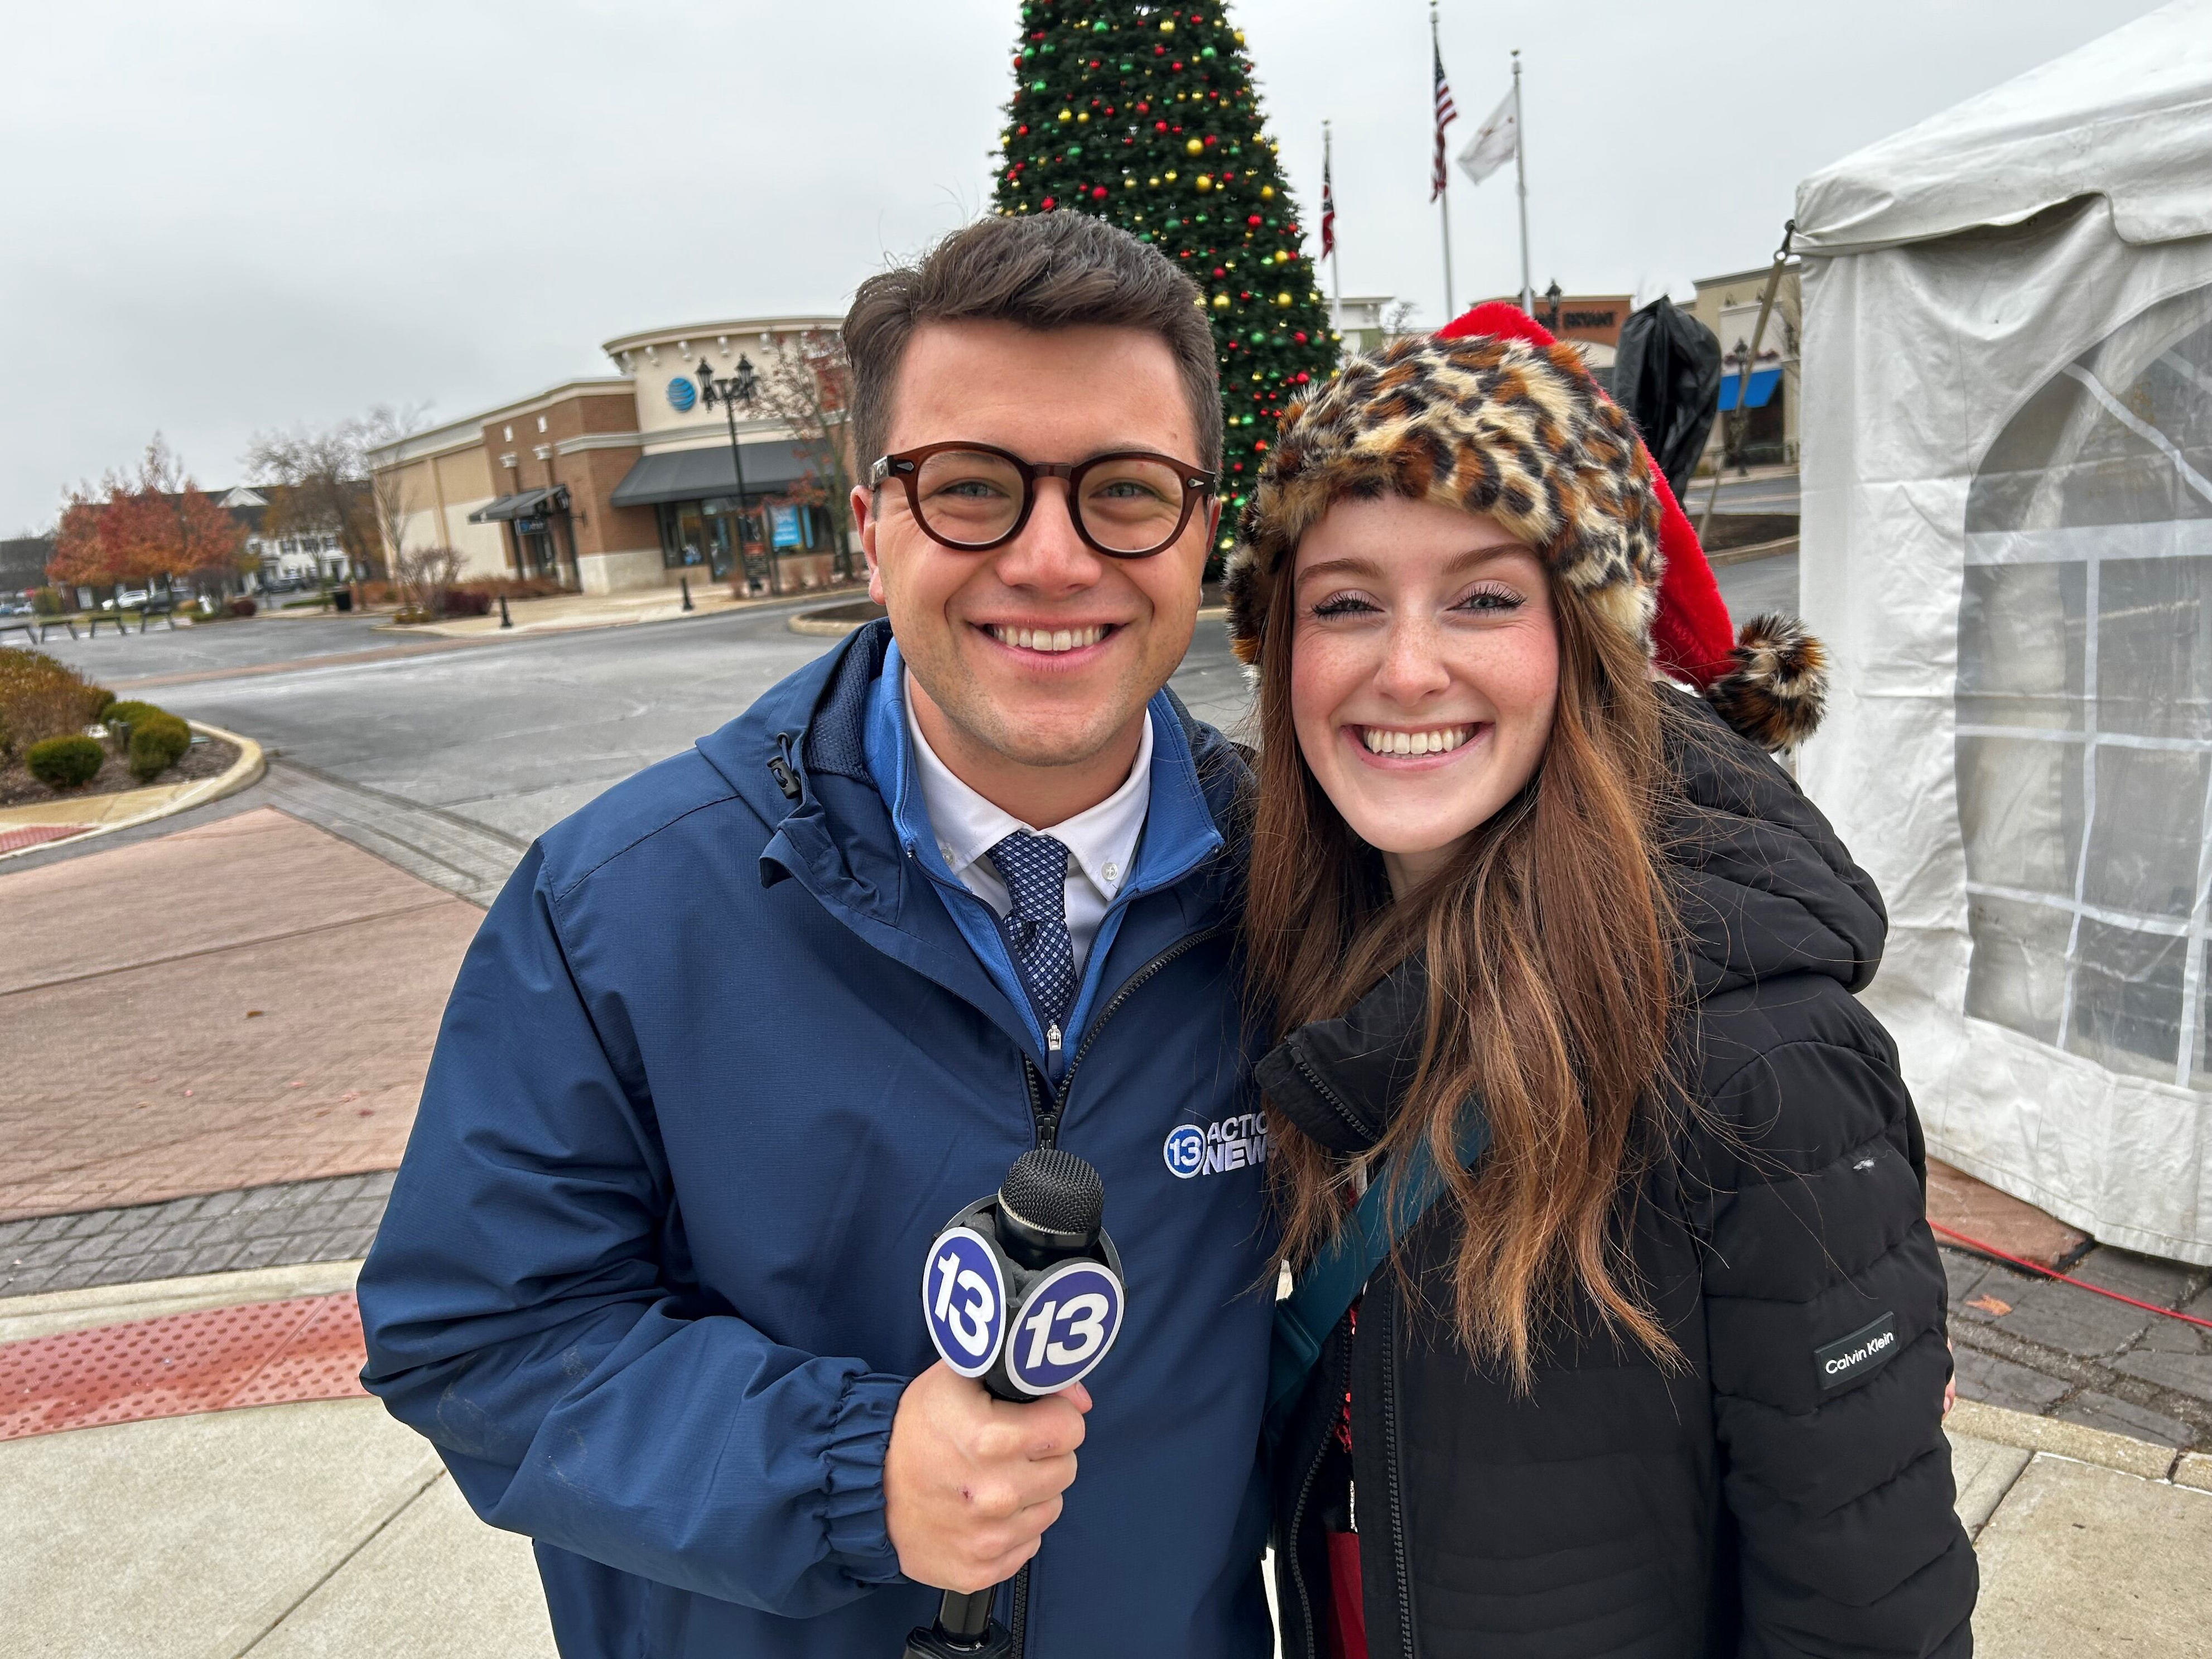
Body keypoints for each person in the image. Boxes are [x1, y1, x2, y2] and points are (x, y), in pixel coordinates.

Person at [355, 212, 1277, 1658]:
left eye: (1123, 490)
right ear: (869, 524)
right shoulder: (617, 907)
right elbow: (476, 1334)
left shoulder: (1305, 888)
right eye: (969, 488)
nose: (1051, 558)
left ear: (1200, 526)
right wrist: (845, 1467)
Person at [1228, 309, 1977, 1658]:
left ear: (1586, 640)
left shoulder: (1763, 1062)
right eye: (1345, 601)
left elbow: (1868, 1607)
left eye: (1484, 597)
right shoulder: (1314, 966)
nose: (1408, 667)